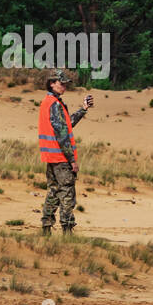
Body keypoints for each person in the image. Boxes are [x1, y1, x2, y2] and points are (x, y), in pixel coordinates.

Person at [38, 69, 94, 235]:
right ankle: (67, 230)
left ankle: (46, 228)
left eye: (65, 84)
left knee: (53, 191)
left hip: (51, 157)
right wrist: (72, 161)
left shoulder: (48, 102)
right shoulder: (54, 104)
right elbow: (62, 134)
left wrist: (83, 109)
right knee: (67, 194)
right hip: (61, 158)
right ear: (52, 83)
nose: (64, 86)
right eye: (61, 83)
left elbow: (66, 124)